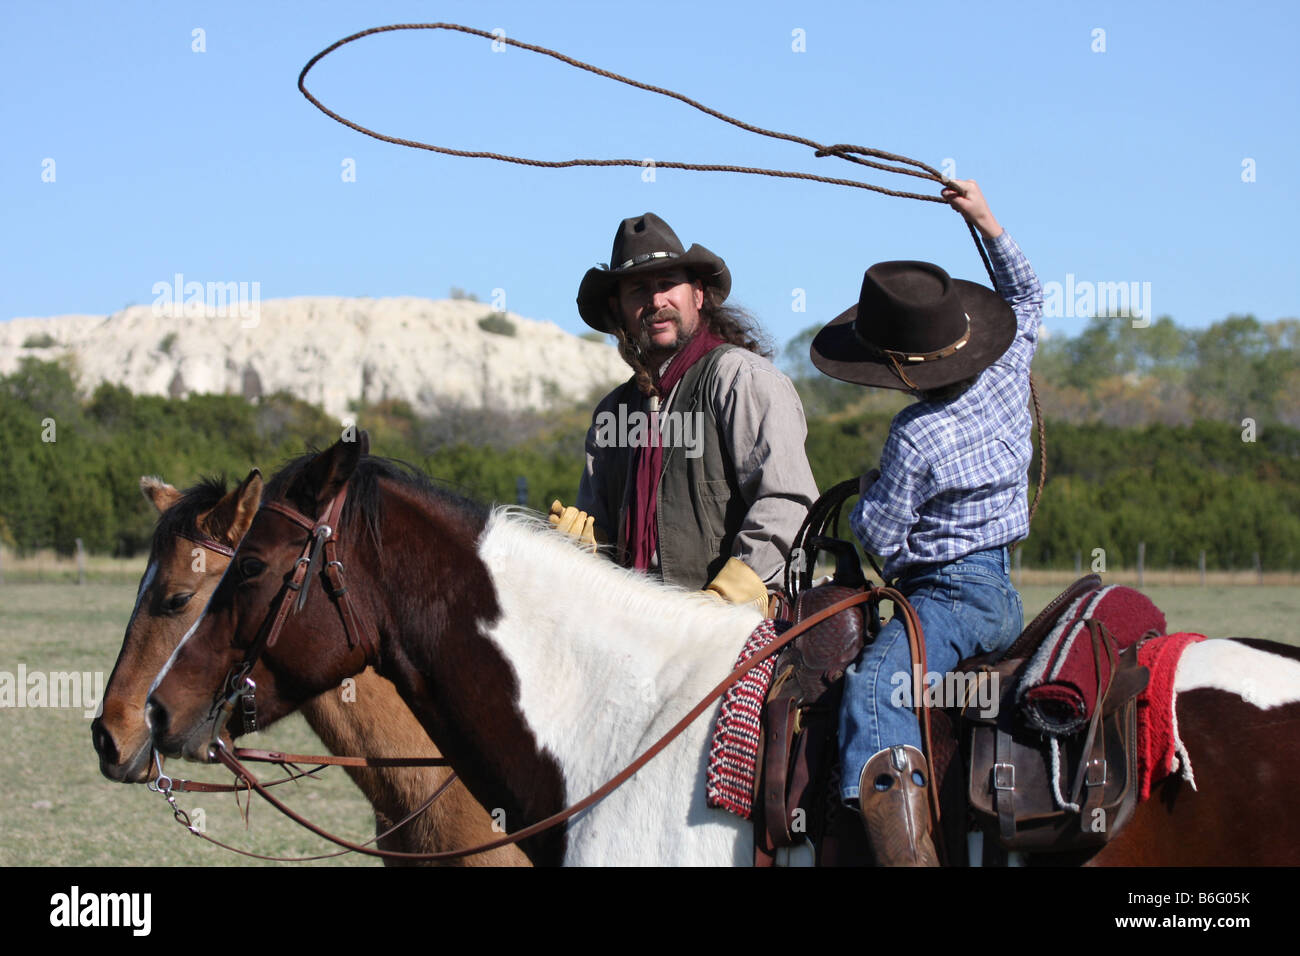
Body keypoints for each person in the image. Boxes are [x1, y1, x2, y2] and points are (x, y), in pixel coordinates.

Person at [809, 180, 1040, 864]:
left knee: (876, 689)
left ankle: (899, 850)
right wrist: (986, 220)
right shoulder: (1007, 367)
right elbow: (1027, 297)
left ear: (901, 371)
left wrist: (872, 488)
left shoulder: (915, 435)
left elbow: (880, 539)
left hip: (943, 599)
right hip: (999, 592)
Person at [550, 212, 819, 613]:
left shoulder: (741, 378)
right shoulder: (613, 410)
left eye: (667, 284)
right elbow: (599, 525)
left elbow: (788, 502)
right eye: (638, 290)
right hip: (637, 626)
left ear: (697, 294)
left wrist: (721, 602)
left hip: (737, 630)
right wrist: (585, 547)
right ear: (619, 310)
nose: (656, 302)